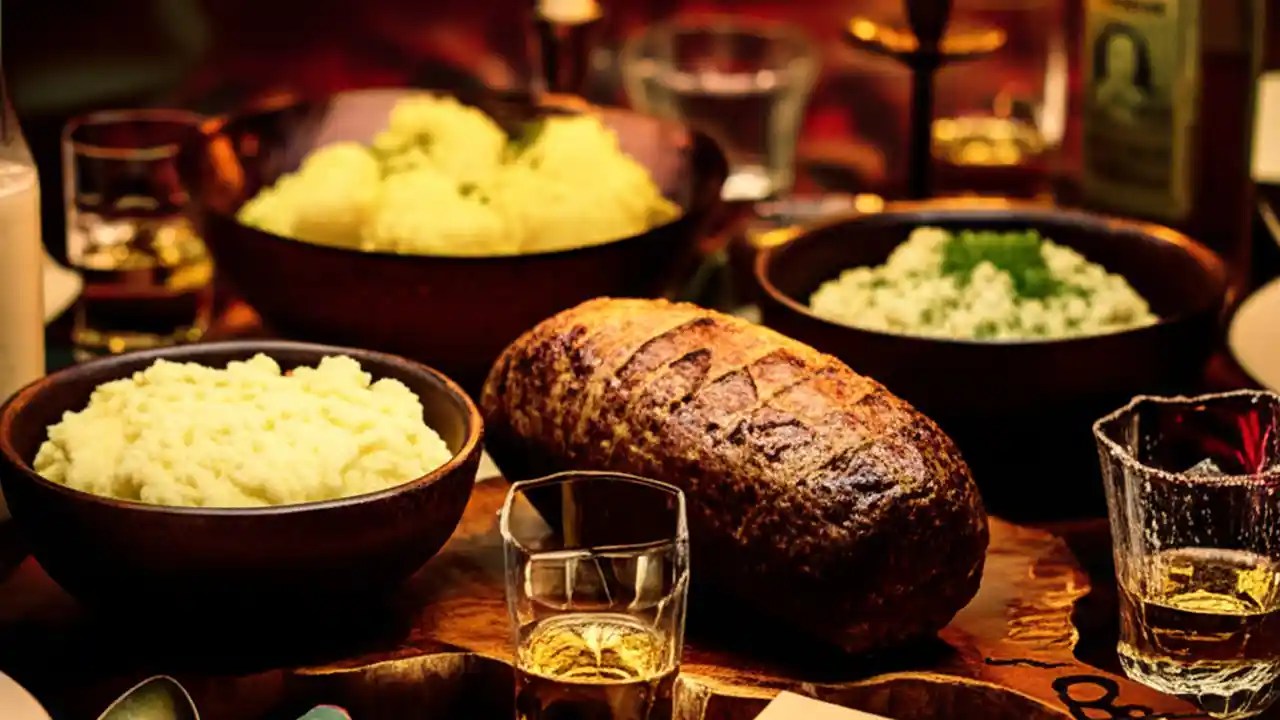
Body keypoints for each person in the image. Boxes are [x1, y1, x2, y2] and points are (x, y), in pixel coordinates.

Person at [1092, 23, 1152, 125]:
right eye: (1117, 55)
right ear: (1104, 59)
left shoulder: (1147, 104)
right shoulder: (1090, 99)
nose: (1123, 63)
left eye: (1129, 56)